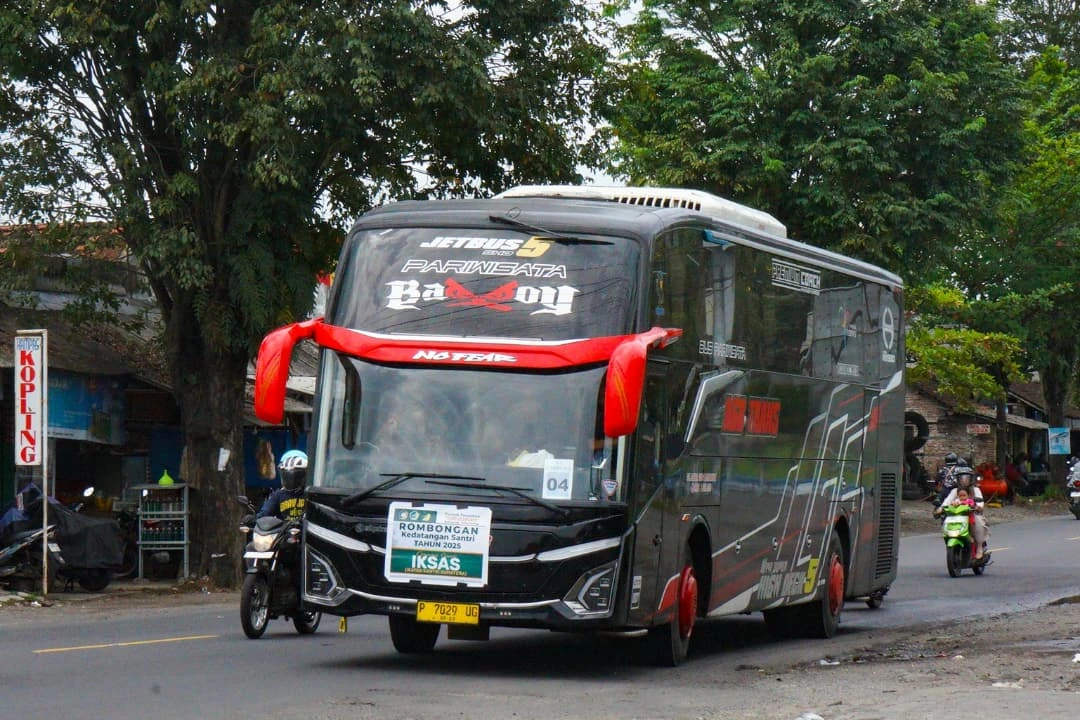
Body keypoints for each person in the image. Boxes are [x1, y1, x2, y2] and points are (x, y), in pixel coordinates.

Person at [934, 467, 989, 560]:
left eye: (966, 477)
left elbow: (980, 503)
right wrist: (940, 509)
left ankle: (979, 548)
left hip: (972, 514)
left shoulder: (975, 490)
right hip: (957, 515)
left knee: (979, 522)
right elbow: (947, 502)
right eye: (961, 477)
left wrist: (977, 506)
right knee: (946, 522)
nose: (964, 480)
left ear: (971, 479)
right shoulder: (954, 491)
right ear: (957, 479)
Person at [256, 449, 308, 520]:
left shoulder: (309, 495)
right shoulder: (278, 495)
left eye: (297, 477)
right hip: (283, 527)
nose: (291, 480)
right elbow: (264, 513)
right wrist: (253, 519)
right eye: (287, 476)